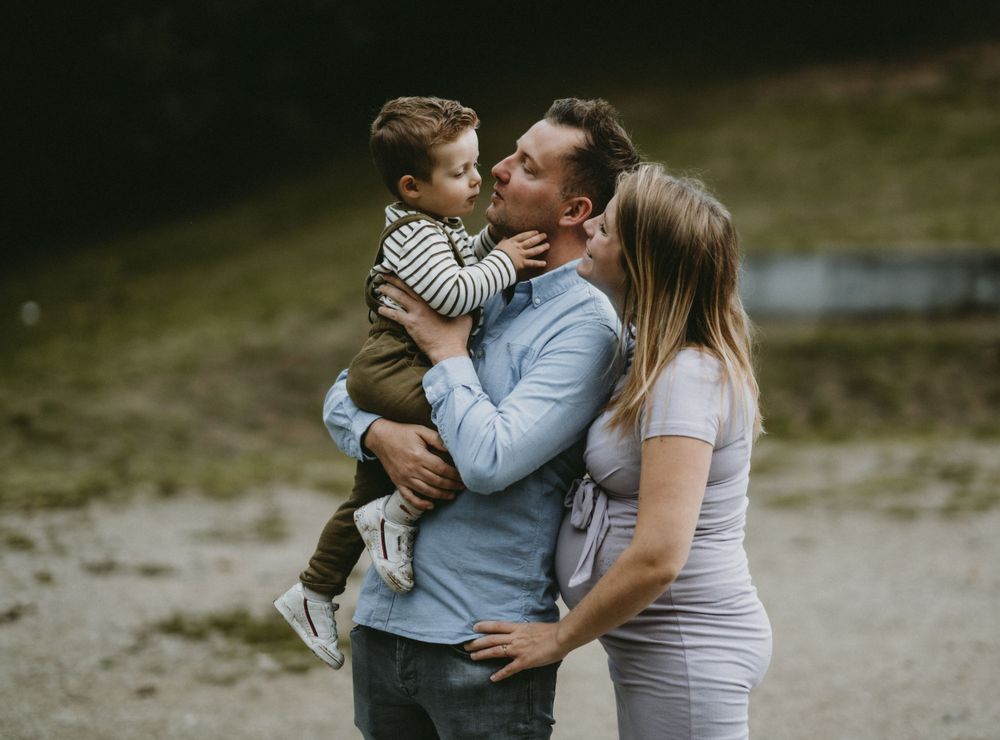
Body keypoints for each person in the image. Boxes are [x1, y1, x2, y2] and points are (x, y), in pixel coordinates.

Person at [324, 98, 640, 738]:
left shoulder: (585, 328)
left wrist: (445, 352)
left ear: (574, 211)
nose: (497, 168)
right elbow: (344, 390)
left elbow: (491, 461)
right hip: (383, 623)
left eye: (527, 166)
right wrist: (378, 435)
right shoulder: (467, 277)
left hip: (480, 644)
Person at [465, 163, 772, 739]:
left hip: (687, 650)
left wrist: (559, 638)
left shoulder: (687, 377)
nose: (588, 230)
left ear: (640, 263)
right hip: (656, 648)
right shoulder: (645, 355)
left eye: (604, 229)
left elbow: (659, 555)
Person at [273, 96, 549, 670]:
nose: (477, 179)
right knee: (465, 431)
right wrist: (505, 259)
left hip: (400, 367)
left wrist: (489, 249)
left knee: (367, 489)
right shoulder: (415, 234)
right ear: (412, 186)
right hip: (393, 367)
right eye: (459, 171)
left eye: (475, 165)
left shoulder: (436, 227)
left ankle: (315, 589)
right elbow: (452, 294)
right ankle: (395, 515)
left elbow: (459, 266)